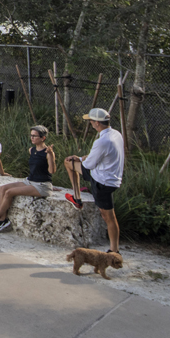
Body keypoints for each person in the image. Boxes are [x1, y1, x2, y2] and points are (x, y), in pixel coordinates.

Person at [65, 108, 125, 256]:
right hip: (113, 178)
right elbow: (97, 157)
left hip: (102, 181)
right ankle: (114, 249)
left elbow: (88, 165)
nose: (90, 123)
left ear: (97, 123)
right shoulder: (116, 134)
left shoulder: (102, 141)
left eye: (91, 121)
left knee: (68, 162)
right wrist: (82, 158)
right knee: (108, 215)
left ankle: (77, 198)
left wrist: (79, 160)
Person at [0, 125, 55, 232]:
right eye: (31, 135)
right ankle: (3, 220)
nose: (32, 138)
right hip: (30, 180)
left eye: (35, 136)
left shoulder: (47, 152)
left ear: (43, 138)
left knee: (9, 192)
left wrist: (51, 155)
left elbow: (52, 171)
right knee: (3, 188)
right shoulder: (32, 150)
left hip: (41, 185)